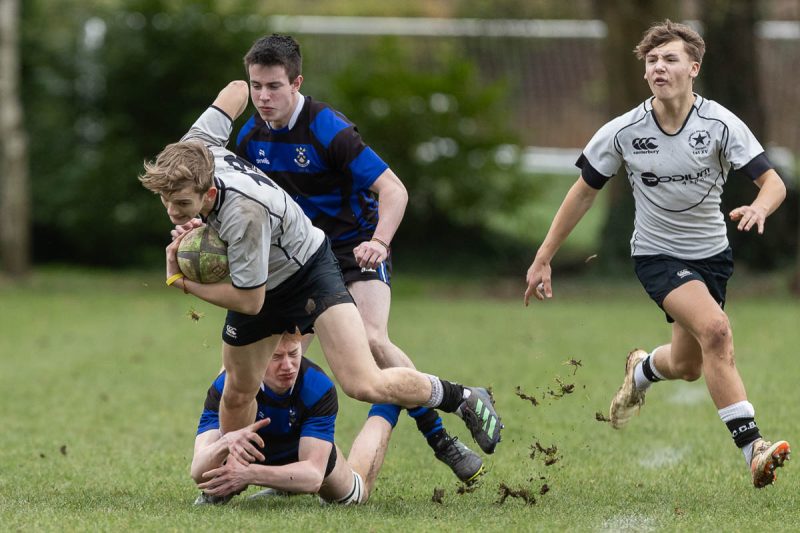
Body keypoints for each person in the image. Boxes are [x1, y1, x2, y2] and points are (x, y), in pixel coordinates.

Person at [138, 80, 502, 470]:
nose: (173, 211)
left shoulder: (245, 214)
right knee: (237, 390)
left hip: (309, 271)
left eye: (182, 204)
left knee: (362, 382)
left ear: (209, 195)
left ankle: (462, 396)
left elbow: (251, 300)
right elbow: (235, 89)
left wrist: (183, 281)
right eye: (166, 201)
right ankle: (236, 474)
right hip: (268, 274)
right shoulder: (197, 149)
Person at [523, 19, 790, 488]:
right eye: (651, 61)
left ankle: (641, 369)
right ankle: (755, 450)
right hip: (657, 255)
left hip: (712, 256)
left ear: (694, 67)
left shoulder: (721, 124)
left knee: (689, 365)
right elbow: (583, 193)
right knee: (717, 330)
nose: (658, 67)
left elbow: (773, 182)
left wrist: (760, 207)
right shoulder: (624, 131)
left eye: (669, 59)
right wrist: (544, 256)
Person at [232, 34, 483, 483]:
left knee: (370, 340)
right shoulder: (250, 136)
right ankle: (265, 466)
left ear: (297, 82)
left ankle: (441, 436)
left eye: (273, 87)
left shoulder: (328, 128)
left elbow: (394, 189)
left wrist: (380, 242)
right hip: (299, 259)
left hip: (354, 248)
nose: (263, 97)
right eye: (256, 87)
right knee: (276, 357)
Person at [191, 332, 400, 505]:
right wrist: (226, 442)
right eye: (276, 357)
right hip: (254, 453)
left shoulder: (317, 387)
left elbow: (313, 476)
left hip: (307, 450)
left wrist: (248, 474)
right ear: (257, 357)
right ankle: (282, 484)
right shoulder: (227, 389)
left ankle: (388, 406)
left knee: (355, 496)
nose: (288, 366)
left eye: (293, 354)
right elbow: (198, 470)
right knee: (213, 473)